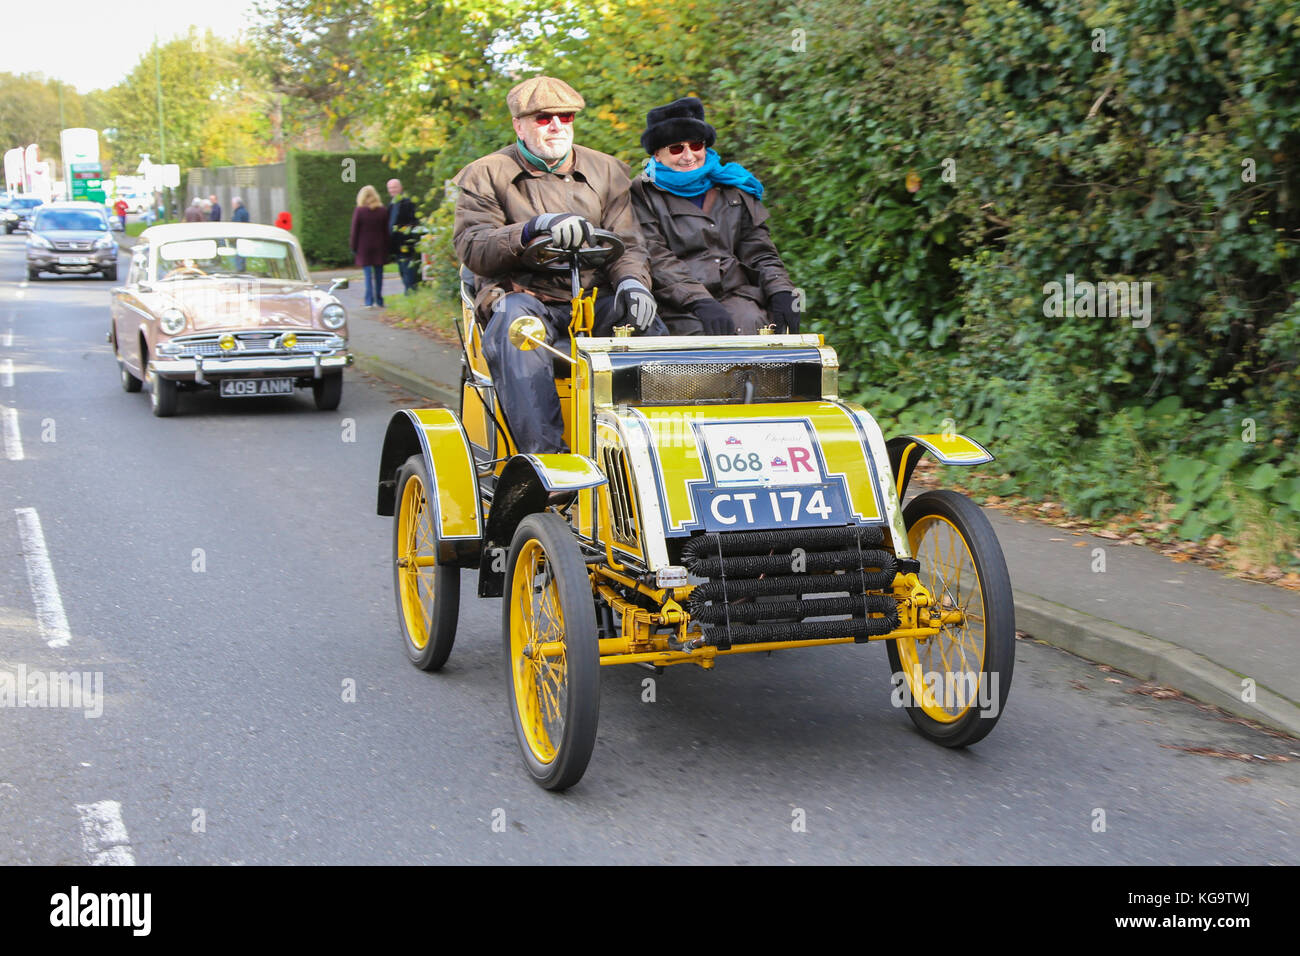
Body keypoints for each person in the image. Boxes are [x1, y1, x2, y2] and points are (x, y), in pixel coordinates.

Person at [453, 75, 664, 454]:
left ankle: (656, 449)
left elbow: (628, 244)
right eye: (543, 118)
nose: (556, 126)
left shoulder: (608, 171)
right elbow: (474, 247)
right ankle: (545, 463)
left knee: (645, 321)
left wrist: (633, 283)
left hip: (592, 300)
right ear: (518, 124)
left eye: (565, 118)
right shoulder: (485, 173)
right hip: (522, 298)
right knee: (520, 329)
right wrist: (534, 229)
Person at [628, 97, 798, 335]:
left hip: (737, 294)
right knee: (701, 343)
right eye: (676, 148)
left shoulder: (734, 188)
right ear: (657, 154)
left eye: (696, 145)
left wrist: (781, 290)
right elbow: (655, 257)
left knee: (759, 328)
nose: (688, 156)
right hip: (676, 302)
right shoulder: (643, 194)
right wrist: (698, 300)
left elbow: (759, 251)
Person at [351, 184, 389, 308]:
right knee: (379, 274)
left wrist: (353, 246)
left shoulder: (359, 211)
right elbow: (386, 230)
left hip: (364, 247)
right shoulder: (382, 210)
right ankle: (379, 299)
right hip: (379, 246)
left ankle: (369, 301)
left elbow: (355, 231)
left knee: (368, 275)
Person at [386, 179, 420, 295]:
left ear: (400, 188)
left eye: (394, 187)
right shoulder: (391, 204)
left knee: (407, 267)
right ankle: (408, 289)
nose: (392, 190)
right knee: (401, 268)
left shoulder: (407, 203)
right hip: (395, 244)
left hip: (405, 243)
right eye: (390, 188)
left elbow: (414, 222)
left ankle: (411, 290)